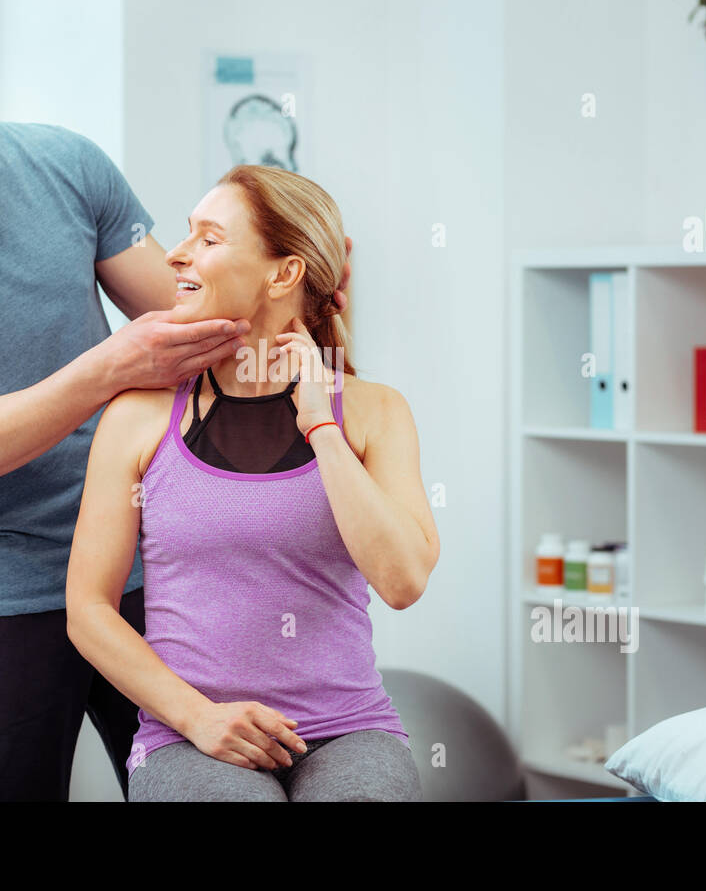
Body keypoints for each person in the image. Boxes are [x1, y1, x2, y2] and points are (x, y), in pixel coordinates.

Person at [0, 0, 356, 802]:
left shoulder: (66, 164)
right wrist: (107, 371)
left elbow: (196, 331)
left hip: (145, 570)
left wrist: (294, 297)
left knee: (209, 789)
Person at [65, 165, 438, 801]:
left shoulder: (375, 412)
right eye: (188, 235)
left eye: (209, 239)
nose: (177, 255)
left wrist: (321, 425)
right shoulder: (140, 415)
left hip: (349, 732)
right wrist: (197, 717)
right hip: (190, 736)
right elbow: (89, 610)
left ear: (283, 274)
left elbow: (402, 582)